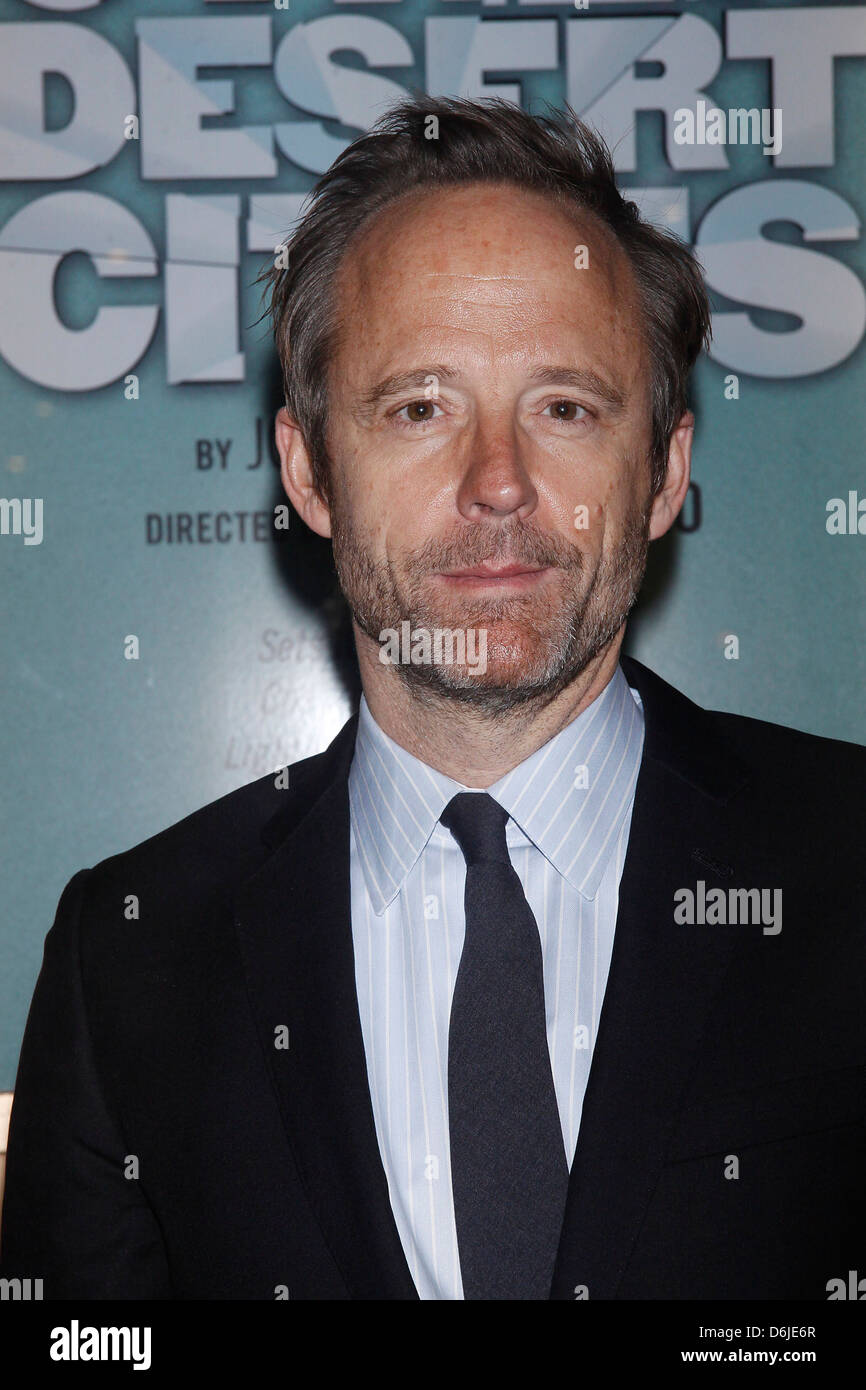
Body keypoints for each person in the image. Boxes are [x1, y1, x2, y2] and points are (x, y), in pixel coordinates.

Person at [2, 97, 864, 1301]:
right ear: (308, 470)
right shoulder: (132, 956)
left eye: (563, 407)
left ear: (664, 472)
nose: (497, 482)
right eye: (418, 407)